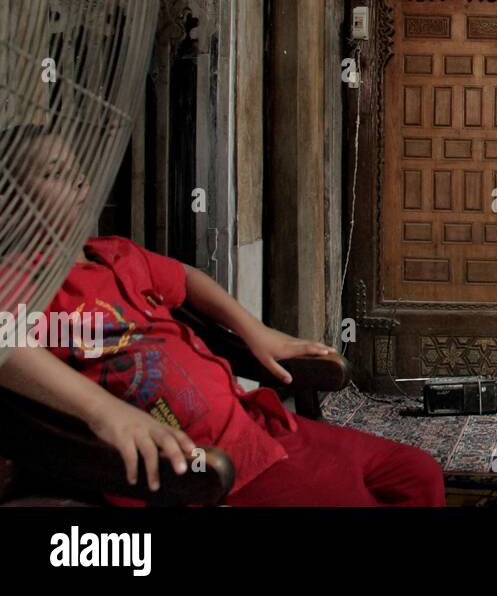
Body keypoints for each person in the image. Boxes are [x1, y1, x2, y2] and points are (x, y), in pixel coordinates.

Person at [0, 126, 445, 506]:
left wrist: (259, 331)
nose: (80, 180)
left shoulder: (115, 253)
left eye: (76, 168)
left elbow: (189, 278)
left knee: (417, 473)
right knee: (349, 496)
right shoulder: (24, 278)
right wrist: (103, 413)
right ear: (12, 194)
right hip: (201, 462)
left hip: (255, 422)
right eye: (54, 173)